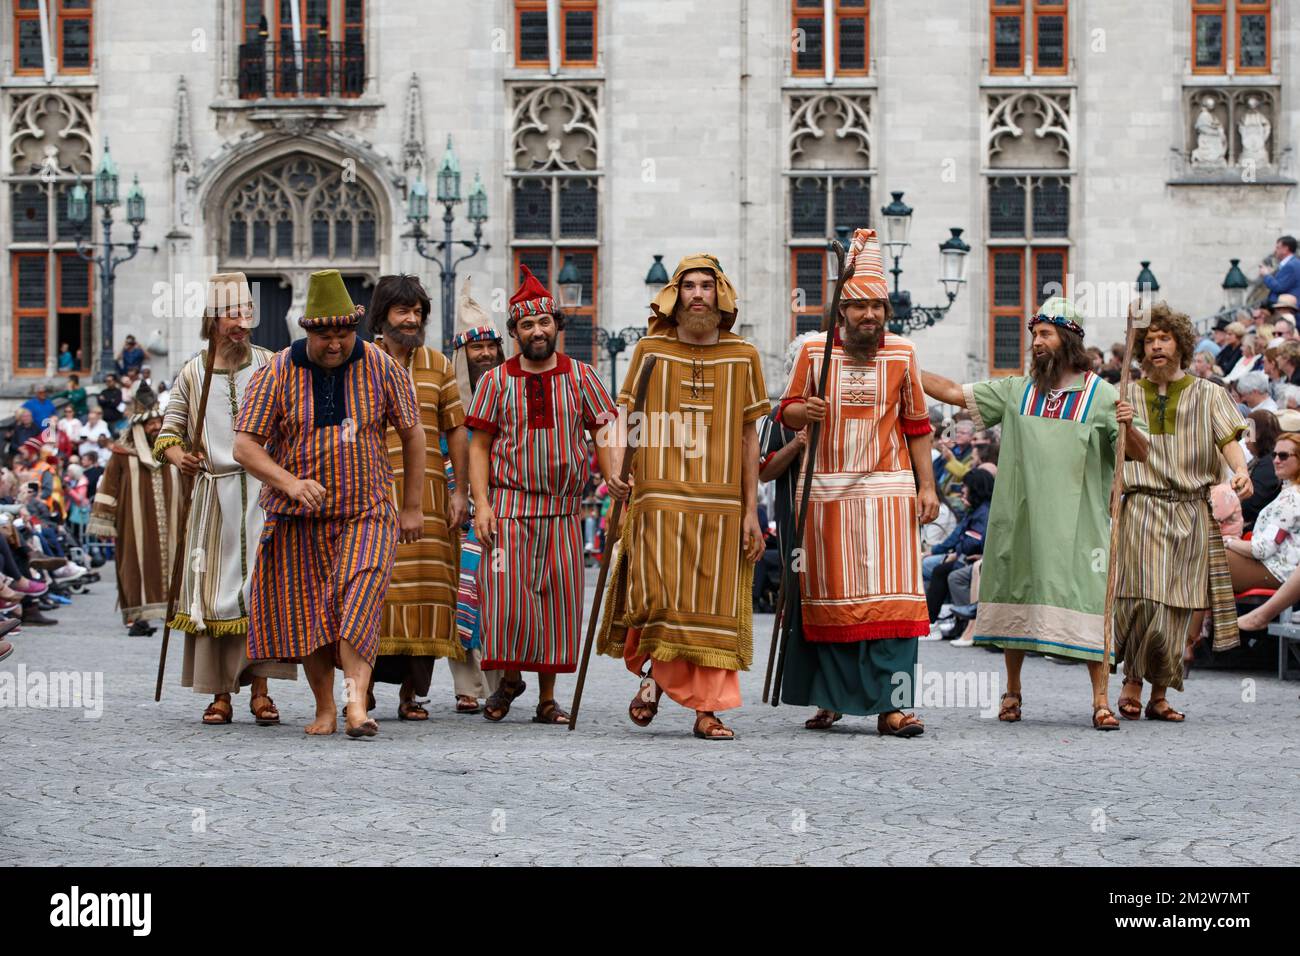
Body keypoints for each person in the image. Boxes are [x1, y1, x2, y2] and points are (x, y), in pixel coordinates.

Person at [921, 296, 1149, 731]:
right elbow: (952, 393)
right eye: (1034, 334)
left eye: (1045, 334)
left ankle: (1101, 700)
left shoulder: (1101, 395)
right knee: (1016, 595)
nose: (1036, 342)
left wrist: (1128, 422)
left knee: (1088, 601)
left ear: (1069, 338)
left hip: (1079, 527)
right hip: (1022, 519)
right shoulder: (1017, 391)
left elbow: (1137, 454)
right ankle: (1012, 690)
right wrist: (904, 367)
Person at [233, 269, 424, 739]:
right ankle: (326, 708)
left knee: (359, 598)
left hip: (368, 509)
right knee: (310, 614)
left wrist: (413, 506)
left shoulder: (382, 366)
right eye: (326, 335)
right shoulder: (276, 371)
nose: (335, 344)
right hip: (297, 517)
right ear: (308, 331)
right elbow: (244, 446)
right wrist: (290, 482)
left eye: (343, 333)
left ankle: (356, 704)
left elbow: (414, 434)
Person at [595, 254, 768, 741]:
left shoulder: (744, 356)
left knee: (712, 609)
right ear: (675, 295)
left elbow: (748, 437)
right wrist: (615, 472)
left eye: (706, 287)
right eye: (688, 285)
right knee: (659, 601)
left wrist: (752, 511)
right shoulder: (650, 350)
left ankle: (707, 710)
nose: (697, 294)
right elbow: (627, 418)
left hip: (720, 504)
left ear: (721, 296)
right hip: (658, 496)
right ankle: (655, 673)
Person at [772, 229, 936, 736]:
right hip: (824, 494)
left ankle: (893, 708)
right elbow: (786, 411)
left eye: (878, 308)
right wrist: (806, 409)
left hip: (888, 492)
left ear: (888, 311)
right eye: (859, 307)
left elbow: (917, 425)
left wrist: (927, 487)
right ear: (842, 311)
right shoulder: (813, 353)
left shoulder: (904, 353)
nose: (870, 316)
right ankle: (829, 699)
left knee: (895, 600)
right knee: (830, 600)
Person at [467, 265, 619, 726]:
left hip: (563, 510)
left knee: (557, 603)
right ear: (514, 331)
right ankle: (509, 679)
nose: (537, 331)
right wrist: (483, 505)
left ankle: (547, 699)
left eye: (544, 322)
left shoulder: (583, 376)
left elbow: (605, 430)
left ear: (557, 326)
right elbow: (478, 445)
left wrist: (612, 476)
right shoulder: (495, 381)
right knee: (507, 603)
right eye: (527, 324)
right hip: (510, 506)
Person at [155, 272, 297, 726]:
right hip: (213, 495)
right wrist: (181, 457)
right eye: (232, 315)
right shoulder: (192, 372)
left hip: (264, 495)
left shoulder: (272, 364)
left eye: (246, 314)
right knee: (214, 594)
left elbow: (293, 422)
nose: (241, 324)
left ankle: (261, 691)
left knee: (264, 590)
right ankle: (220, 695)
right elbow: (168, 432)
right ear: (212, 321)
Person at [1112, 303, 1251, 724]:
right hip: (1142, 504)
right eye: (1149, 340)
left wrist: (1241, 471)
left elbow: (1229, 440)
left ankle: (1159, 693)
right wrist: (1120, 421)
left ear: (1180, 344)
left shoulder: (1209, 393)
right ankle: (1131, 680)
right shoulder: (1126, 394)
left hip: (1190, 508)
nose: (1156, 346)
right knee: (1140, 598)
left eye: (1164, 338)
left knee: (1176, 605)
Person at [366, 274, 471, 722]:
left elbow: (457, 429)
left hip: (429, 495)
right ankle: (361, 683)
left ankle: (412, 694)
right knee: (370, 591)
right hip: (371, 493)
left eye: (418, 312)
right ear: (383, 316)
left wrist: (460, 491)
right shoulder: (359, 361)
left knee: (428, 591)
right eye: (402, 311)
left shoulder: (438, 364)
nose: (411, 320)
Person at [445, 277, 506, 714]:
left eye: (490, 347)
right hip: (458, 505)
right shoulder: (451, 399)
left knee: (501, 594)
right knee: (461, 592)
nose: (484, 354)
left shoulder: (511, 389)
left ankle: (503, 679)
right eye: (475, 347)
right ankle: (467, 684)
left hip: (505, 505)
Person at [87, 383, 186, 635]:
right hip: (133, 523)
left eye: (158, 422)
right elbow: (109, 486)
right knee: (135, 566)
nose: (155, 427)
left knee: (177, 562)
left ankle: (175, 612)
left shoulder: (176, 451)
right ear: (138, 426)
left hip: (174, 520)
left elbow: (190, 481)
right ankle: (138, 619)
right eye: (149, 423)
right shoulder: (122, 453)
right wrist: (104, 520)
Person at [1222, 431, 1300, 594]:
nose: (1276, 460)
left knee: (1205, 558)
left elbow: (1262, 549)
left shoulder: (1292, 497)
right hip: (1277, 569)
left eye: (1283, 456)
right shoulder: (1288, 492)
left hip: (1278, 573)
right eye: (1274, 454)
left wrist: (1227, 541)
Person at [925, 469, 994, 626]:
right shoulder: (975, 509)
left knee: (941, 571)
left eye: (965, 486)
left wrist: (957, 551)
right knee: (936, 568)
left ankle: (947, 620)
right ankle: (937, 616)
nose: (962, 490)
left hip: (970, 558)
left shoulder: (983, 512)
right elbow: (958, 536)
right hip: (963, 556)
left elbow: (973, 543)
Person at [1241, 409, 1281, 530]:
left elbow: (1250, 505)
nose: (1245, 441)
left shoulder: (1269, 464)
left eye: (1248, 434)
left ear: (1258, 435)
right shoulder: (1263, 460)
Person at [1260, 236, 1300, 305]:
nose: (1275, 251)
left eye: (1278, 247)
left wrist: (1266, 275)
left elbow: (1279, 287)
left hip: (1287, 308)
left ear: (1285, 249)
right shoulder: (1292, 264)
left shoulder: (1291, 265)